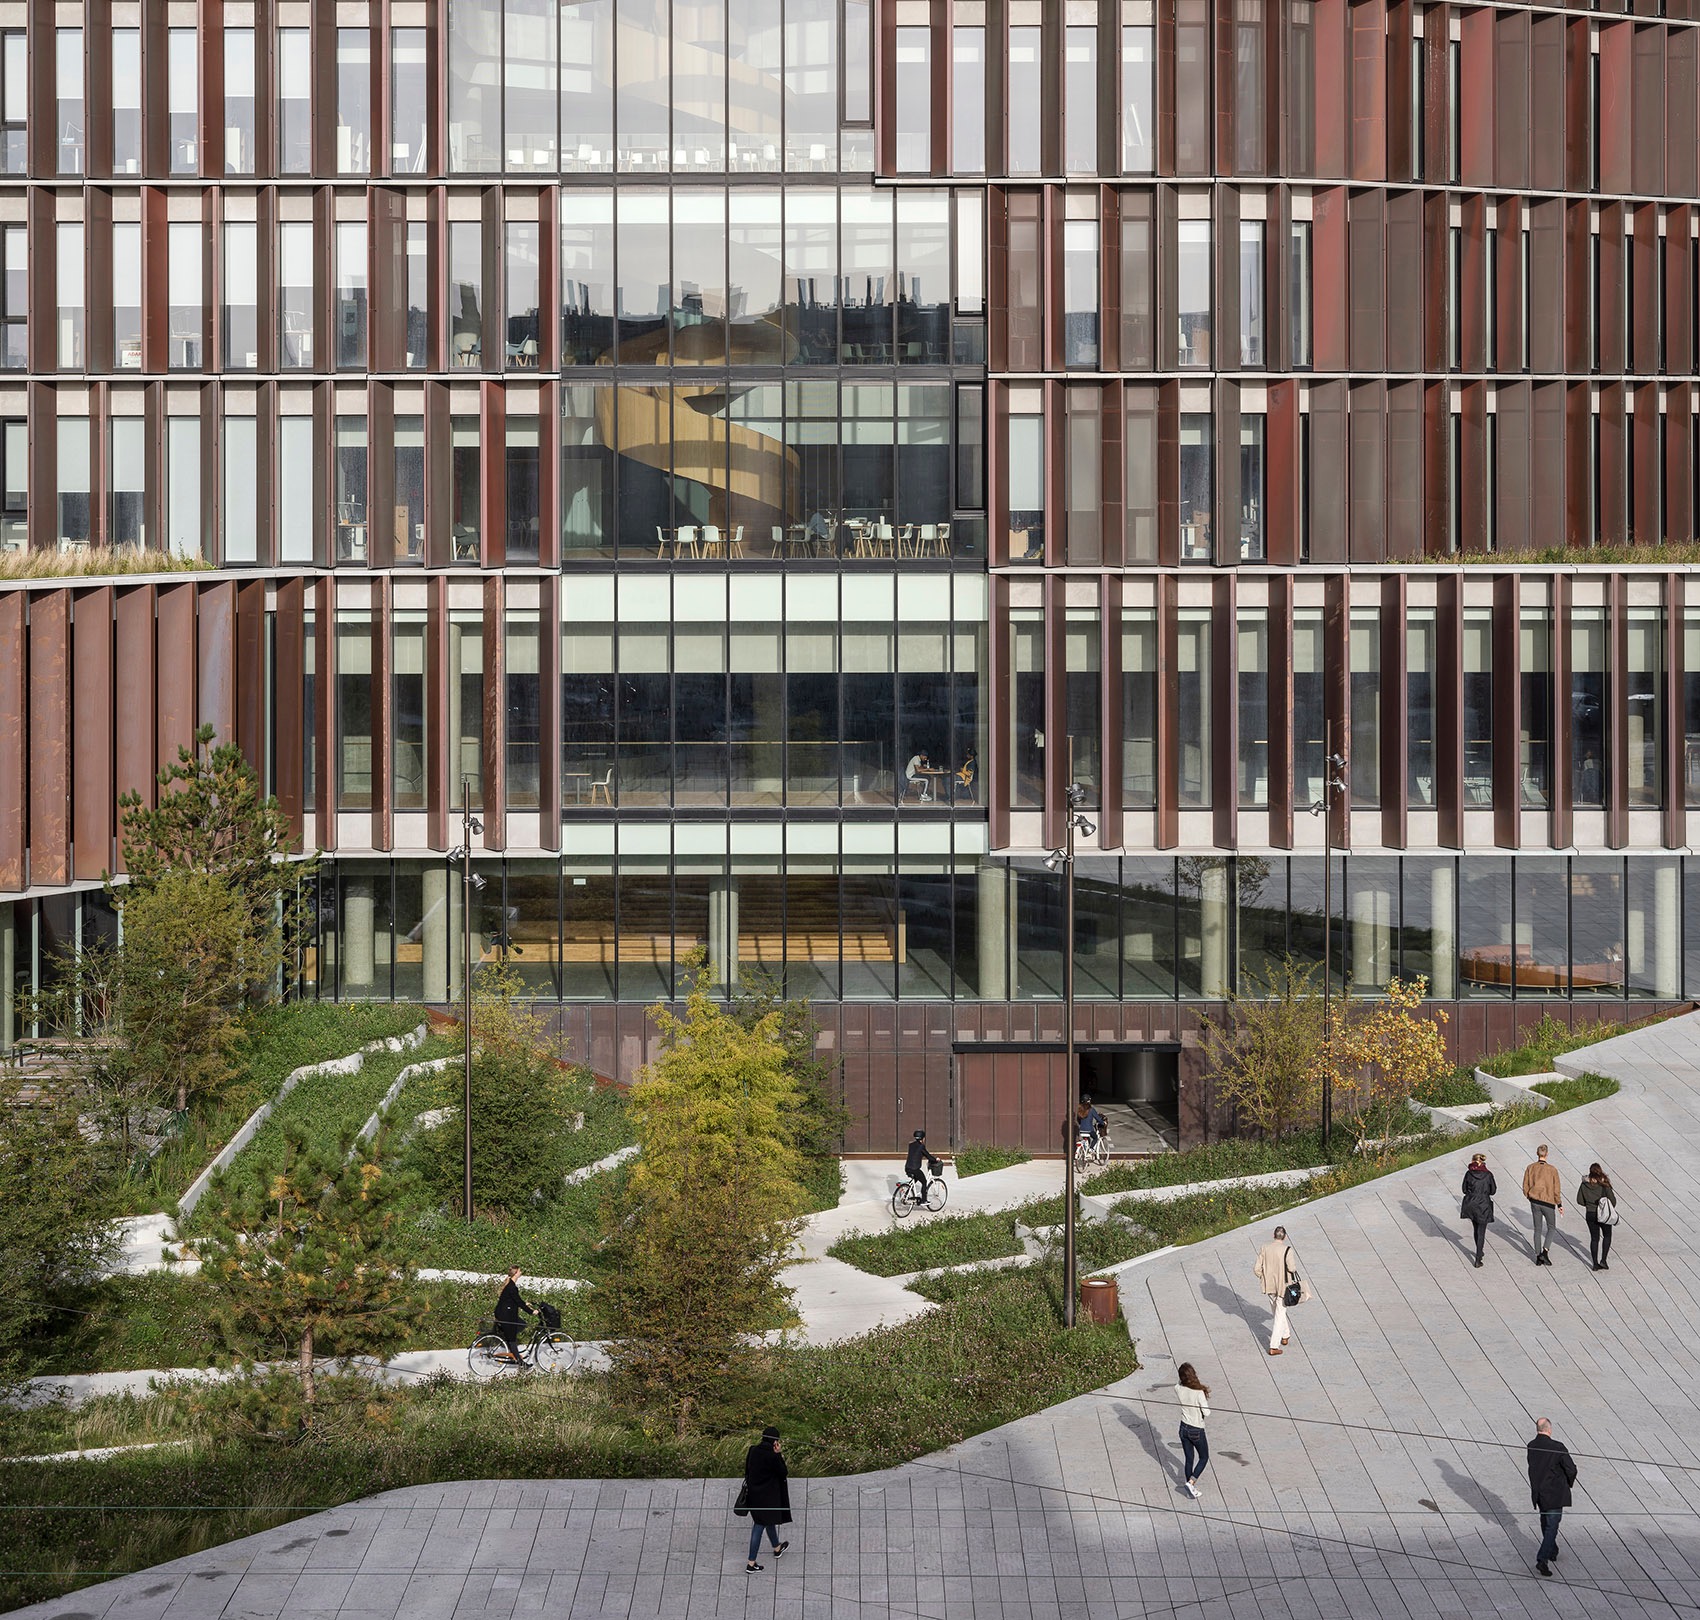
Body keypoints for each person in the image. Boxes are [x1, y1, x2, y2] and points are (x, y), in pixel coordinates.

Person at [1527, 1416, 1577, 1577]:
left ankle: (1552, 1550)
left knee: (1545, 1522)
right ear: (1549, 1429)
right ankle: (1542, 1559)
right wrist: (1567, 1483)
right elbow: (1571, 1469)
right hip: (1555, 1493)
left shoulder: (1531, 1446)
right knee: (1552, 1526)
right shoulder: (1558, 1447)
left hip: (1539, 1493)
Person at [742, 1425, 792, 1571]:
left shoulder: (752, 1450)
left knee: (767, 1521)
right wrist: (778, 1454)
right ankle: (751, 1563)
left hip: (753, 1495)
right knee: (758, 1526)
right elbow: (783, 1472)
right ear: (775, 1441)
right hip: (768, 1498)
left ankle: (777, 1548)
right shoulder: (772, 1456)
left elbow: (747, 1470)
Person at [1253, 1225, 1300, 1356]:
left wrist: (1264, 1277)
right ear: (1284, 1237)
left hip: (1269, 1286)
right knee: (1279, 1315)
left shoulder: (1265, 1248)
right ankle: (1274, 1346)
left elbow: (1256, 1268)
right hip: (1282, 1287)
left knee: (1278, 1312)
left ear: (1273, 1235)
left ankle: (1285, 1335)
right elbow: (1291, 1268)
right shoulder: (1287, 1250)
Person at [1522, 1144, 1564, 1266]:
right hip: (1548, 1202)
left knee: (1537, 1229)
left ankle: (1537, 1256)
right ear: (1547, 1154)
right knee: (1551, 1227)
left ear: (1537, 1153)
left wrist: (1529, 1196)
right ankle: (1545, 1252)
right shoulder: (1552, 1170)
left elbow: (1525, 1185)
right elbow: (1556, 1189)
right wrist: (1559, 1204)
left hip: (1534, 1201)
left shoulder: (1530, 1168)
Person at [1175, 1362, 1212, 1499]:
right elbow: (1206, 1413)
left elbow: (1179, 1383)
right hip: (1196, 1429)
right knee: (1203, 1457)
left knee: (1189, 1458)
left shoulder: (1178, 1388)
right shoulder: (1198, 1392)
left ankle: (1190, 1488)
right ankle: (1191, 1482)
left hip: (1183, 1427)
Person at [1576, 1162, 1618, 1271]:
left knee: (1594, 1239)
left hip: (1590, 1214)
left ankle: (1594, 1264)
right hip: (1603, 1214)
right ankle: (1603, 1260)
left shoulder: (1584, 1184)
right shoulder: (1604, 1184)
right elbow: (1613, 1201)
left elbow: (1579, 1200)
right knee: (1607, 1236)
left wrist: (1589, 1205)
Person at [1460, 1152, 1496, 1267]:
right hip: (1483, 1204)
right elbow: (1493, 1191)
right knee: (1482, 1231)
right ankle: (1478, 1257)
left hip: (1471, 1203)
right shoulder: (1488, 1175)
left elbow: (1464, 1189)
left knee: (1476, 1229)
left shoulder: (1469, 1174)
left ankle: (1479, 1252)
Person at [493, 1265, 535, 1362]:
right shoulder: (512, 1287)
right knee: (512, 1338)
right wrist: (531, 1311)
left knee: (522, 1324)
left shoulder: (511, 1285)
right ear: (516, 1273)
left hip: (505, 1312)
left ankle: (507, 1338)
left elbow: (515, 1300)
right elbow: (518, 1302)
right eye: (520, 1271)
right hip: (505, 1314)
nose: (521, 1272)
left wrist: (525, 1304)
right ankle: (521, 1363)